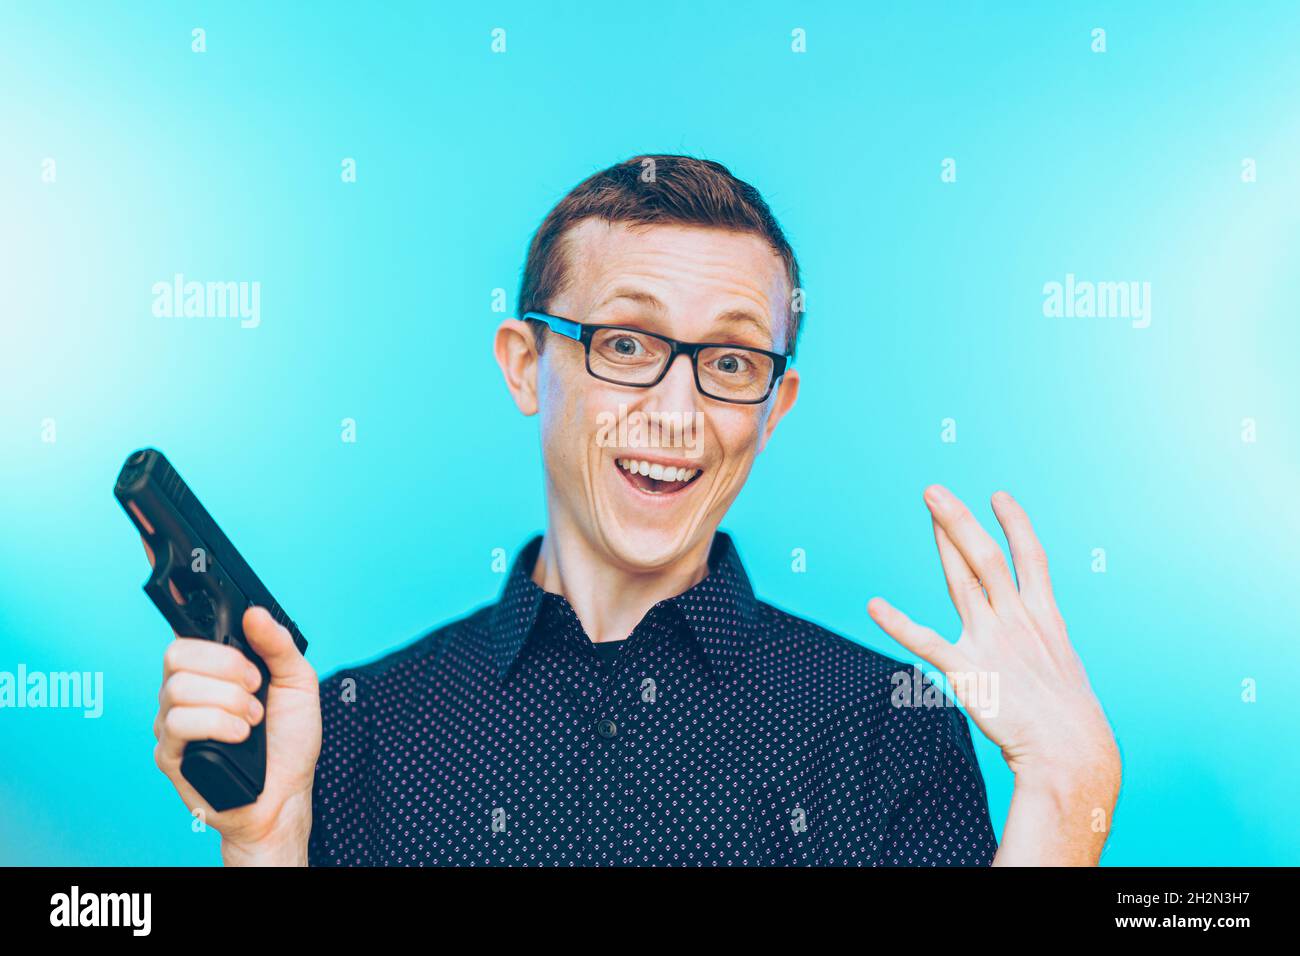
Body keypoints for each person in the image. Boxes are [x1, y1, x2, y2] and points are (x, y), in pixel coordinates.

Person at [148, 155, 1121, 866]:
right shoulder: (353, 730)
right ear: (526, 365)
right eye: (624, 343)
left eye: (731, 361)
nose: (675, 411)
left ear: (772, 410)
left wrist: (1066, 804)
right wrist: (268, 841)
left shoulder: (887, 727)